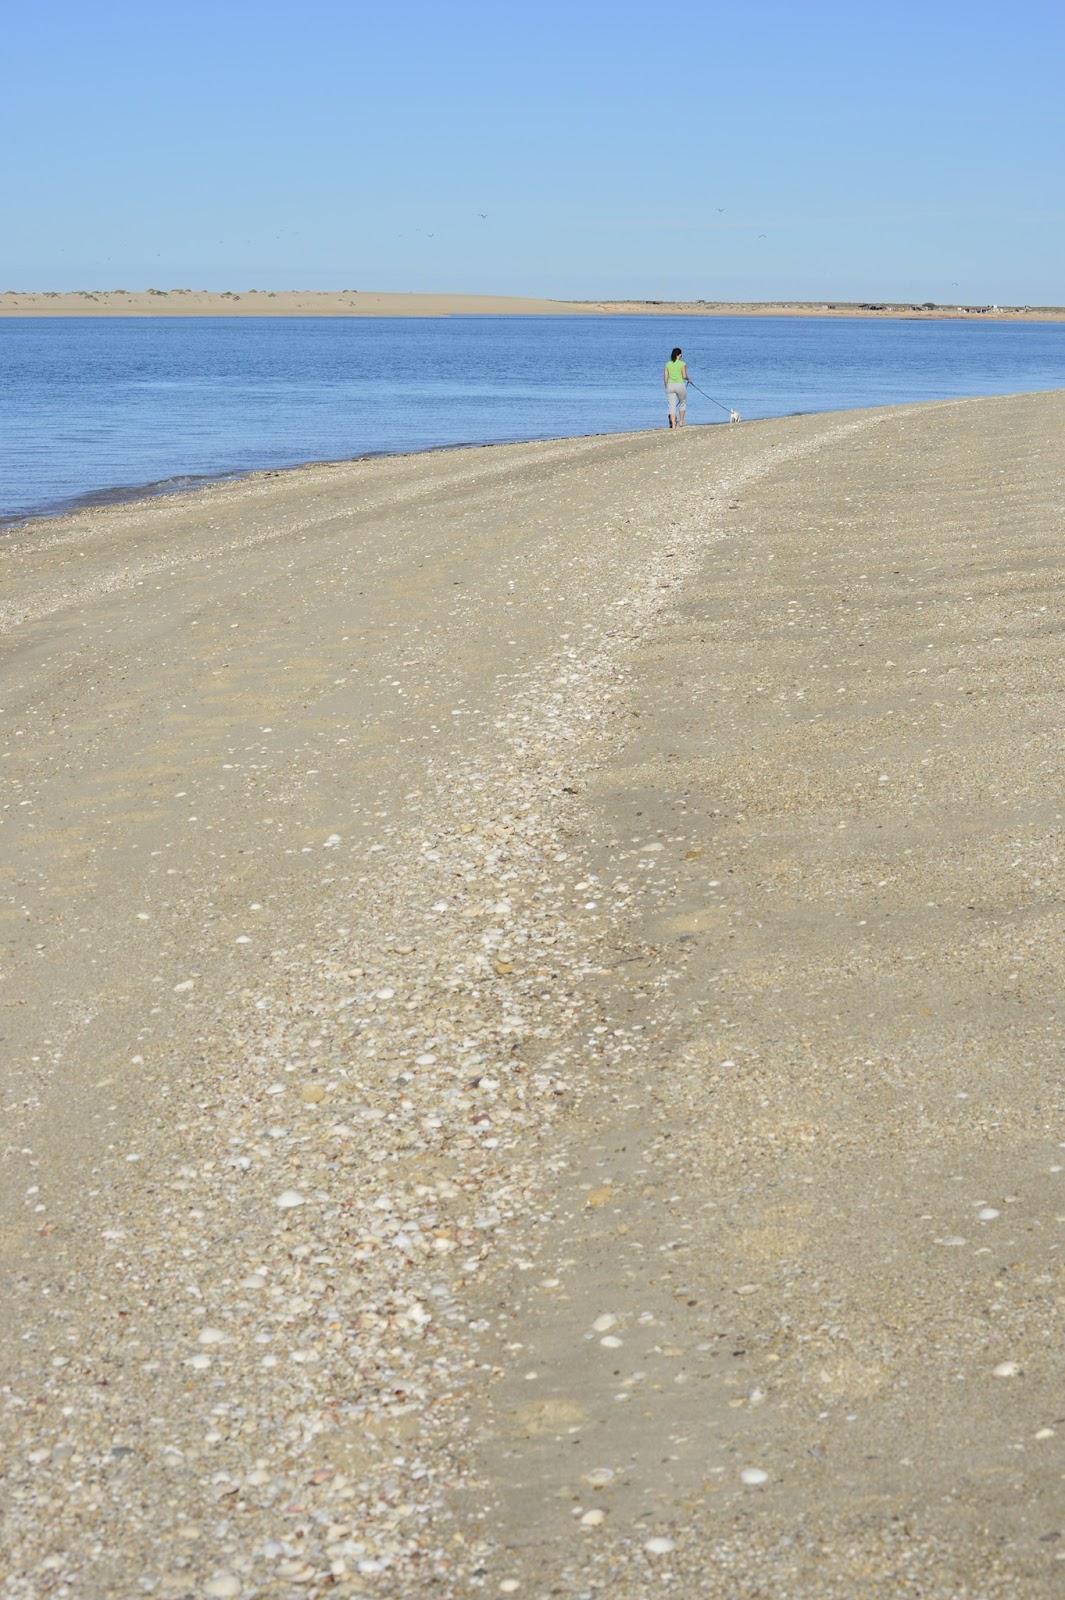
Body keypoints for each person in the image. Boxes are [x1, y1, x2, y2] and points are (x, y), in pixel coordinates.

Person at [663, 347, 689, 429]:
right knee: (682, 402)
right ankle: (681, 421)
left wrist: (666, 385)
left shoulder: (668, 364)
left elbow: (666, 376)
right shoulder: (682, 363)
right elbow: (684, 376)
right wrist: (688, 379)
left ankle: (673, 425)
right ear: (680, 354)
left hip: (670, 385)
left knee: (671, 405)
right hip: (680, 385)